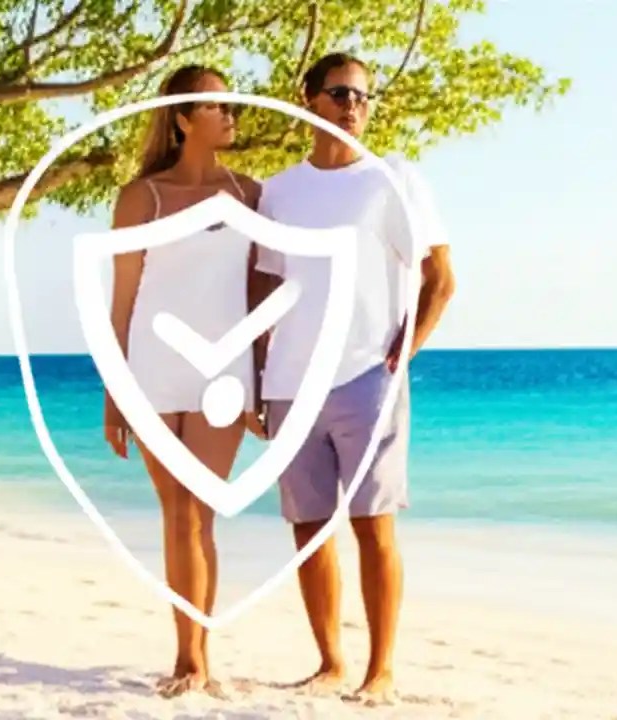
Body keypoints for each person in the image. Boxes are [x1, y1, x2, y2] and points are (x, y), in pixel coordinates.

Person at [252, 52, 457, 704]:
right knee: (308, 528)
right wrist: (256, 374)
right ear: (308, 98)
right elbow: (264, 283)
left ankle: (381, 672)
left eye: (364, 97)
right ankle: (330, 663)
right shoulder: (279, 190)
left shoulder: (392, 178)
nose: (353, 106)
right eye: (340, 93)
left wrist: (407, 350)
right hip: (290, 382)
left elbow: (441, 278)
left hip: (368, 376)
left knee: (374, 526)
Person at [103, 64, 266, 699]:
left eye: (233, 108)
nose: (232, 117)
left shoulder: (250, 195)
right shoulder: (141, 198)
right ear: (181, 117)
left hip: (223, 374)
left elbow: (262, 292)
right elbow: (121, 301)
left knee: (202, 512)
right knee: (176, 514)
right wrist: (113, 390)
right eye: (218, 107)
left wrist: (262, 380)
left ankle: (201, 655)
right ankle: (185, 657)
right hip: (151, 368)